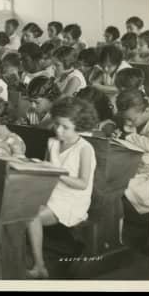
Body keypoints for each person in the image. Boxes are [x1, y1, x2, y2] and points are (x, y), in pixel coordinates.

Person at [26, 97, 98, 279]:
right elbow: (48, 170)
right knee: (15, 203)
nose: (58, 130)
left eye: (65, 127)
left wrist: (58, 172)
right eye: (56, 124)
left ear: (79, 126)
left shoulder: (85, 149)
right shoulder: (54, 142)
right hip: (51, 192)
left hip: (72, 200)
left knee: (30, 215)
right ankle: (13, 254)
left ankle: (40, 265)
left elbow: (82, 184)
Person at [116, 89, 149, 215]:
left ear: (146, 111)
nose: (127, 123)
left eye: (131, 119)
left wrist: (129, 136)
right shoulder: (137, 113)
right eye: (125, 119)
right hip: (144, 162)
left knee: (125, 184)